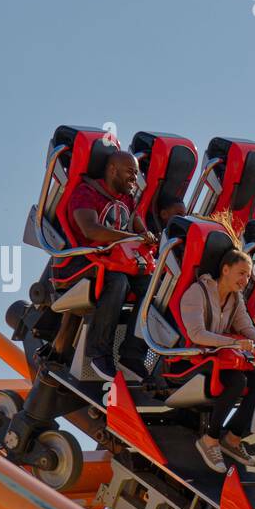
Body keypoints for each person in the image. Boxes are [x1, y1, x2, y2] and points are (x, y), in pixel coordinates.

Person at [64, 149, 158, 382]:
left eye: (136, 174)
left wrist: (143, 234)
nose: (134, 179)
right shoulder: (86, 193)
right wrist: (128, 238)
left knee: (152, 287)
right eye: (130, 172)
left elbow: (135, 222)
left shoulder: (127, 198)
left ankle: (132, 356)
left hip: (117, 261)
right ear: (112, 169)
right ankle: (98, 353)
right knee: (118, 282)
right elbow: (90, 229)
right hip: (85, 261)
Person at [178, 247, 255, 473]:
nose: (245, 280)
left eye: (248, 276)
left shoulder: (236, 299)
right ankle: (209, 440)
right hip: (192, 360)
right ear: (226, 269)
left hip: (219, 359)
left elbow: (248, 331)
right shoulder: (197, 291)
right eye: (241, 273)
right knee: (238, 381)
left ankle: (232, 439)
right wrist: (232, 344)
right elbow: (197, 334)